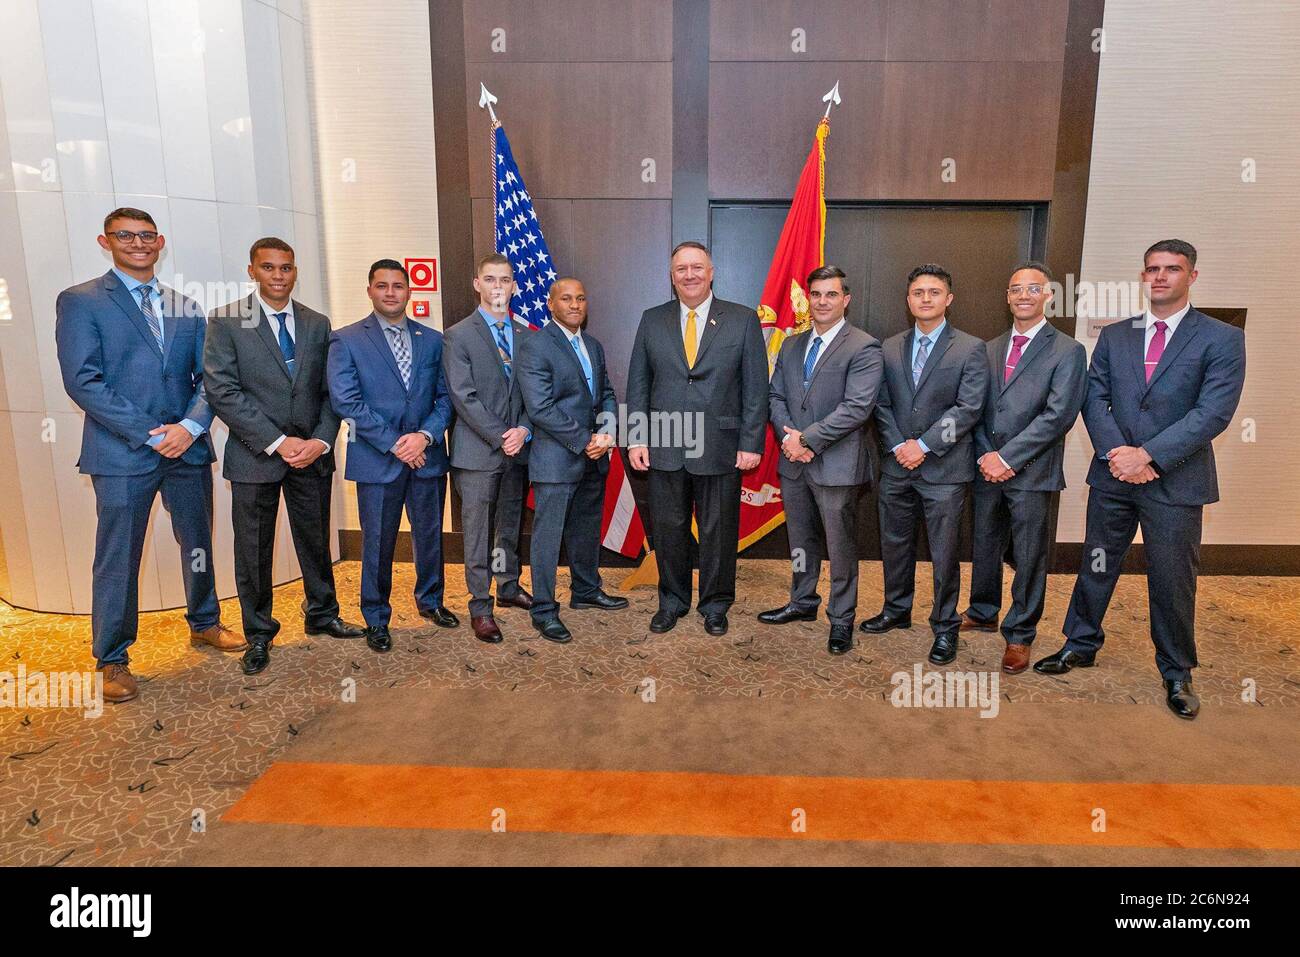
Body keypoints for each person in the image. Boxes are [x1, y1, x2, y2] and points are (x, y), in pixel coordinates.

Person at [1035, 240, 1246, 720]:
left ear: (1192, 276)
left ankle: (1176, 670)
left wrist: (1149, 455)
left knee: (1173, 578)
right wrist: (1117, 455)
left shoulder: (1221, 338)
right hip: (1113, 475)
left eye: (1172, 269)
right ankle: (1080, 643)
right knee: (1096, 562)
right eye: (1152, 269)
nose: (1160, 277)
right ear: (1143, 276)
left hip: (1175, 480)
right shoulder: (1116, 336)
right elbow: (1094, 398)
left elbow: (1213, 412)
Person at [54, 207, 244, 703]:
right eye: (126, 236)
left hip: (187, 451)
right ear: (106, 241)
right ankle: (112, 658)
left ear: (160, 242)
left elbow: (210, 380)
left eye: (146, 236)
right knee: (118, 556)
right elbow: (82, 381)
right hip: (121, 454)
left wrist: (189, 425)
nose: (137, 243)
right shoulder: (81, 302)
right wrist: (151, 433)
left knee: (197, 542)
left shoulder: (185, 306)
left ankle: (204, 621)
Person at [204, 237, 364, 675]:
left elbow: (330, 392)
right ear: (252, 270)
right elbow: (222, 391)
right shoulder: (226, 321)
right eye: (269, 268)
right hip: (257, 456)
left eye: (286, 268)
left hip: (311, 455)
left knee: (315, 541)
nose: (279, 276)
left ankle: (323, 614)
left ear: (295, 272)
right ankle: (258, 633)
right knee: (253, 551)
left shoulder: (316, 323)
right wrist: (277, 441)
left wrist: (321, 440)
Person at [625, 241, 768, 636]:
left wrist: (751, 442)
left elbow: (756, 388)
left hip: (721, 446)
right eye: (681, 269)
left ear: (711, 272)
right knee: (668, 529)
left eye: (697, 267)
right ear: (671, 277)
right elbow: (638, 383)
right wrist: (637, 438)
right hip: (665, 446)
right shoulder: (652, 319)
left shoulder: (742, 319)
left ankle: (716, 604)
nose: (689, 275)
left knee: (718, 532)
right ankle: (671, 602)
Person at [959, 262, 1086, 674]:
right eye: (1016, 289)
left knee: (1030, 555)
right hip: (985, 467)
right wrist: (986, 456)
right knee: (985, 543)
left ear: (1049, 296)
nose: (1023, 295)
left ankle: (1020, 633)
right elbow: (972, 409)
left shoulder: (1068, 350)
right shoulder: (989, 347)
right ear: (1008, 297)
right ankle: (982, 609)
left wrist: (1008, 458)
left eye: (1033, 289)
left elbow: (1058, 415)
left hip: (1031, 470)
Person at [326, 260, 456, 653]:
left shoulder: (433, 339)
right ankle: (376, 617)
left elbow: (446, 399)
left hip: (427, 456)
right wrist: (398, 444)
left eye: (398, 286)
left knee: (430, 536)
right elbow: (346, 401)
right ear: (369, 290)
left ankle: (431, 602)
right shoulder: (346, 339)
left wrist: (424, 437)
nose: (390, 292)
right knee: (378, 542)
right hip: (378, 459)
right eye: (382, 286)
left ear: (409, 291)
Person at [864, 264, 987, 665]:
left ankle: (945, 625)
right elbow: (879, 404)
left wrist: (926, 446)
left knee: (944, 551)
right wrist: (900, 444)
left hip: (945, 472)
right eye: (918, 292)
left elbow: (969, 408)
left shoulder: (970, 348)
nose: (926, 298)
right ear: (908, 299)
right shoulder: (889, 346)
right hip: (897, 465)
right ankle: (896, 610)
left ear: (948, 299)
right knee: (895, 544)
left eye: (934, 292)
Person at [762, 266, 883, 655]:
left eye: (831, 294)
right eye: (816, 294)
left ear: (846, 299)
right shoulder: (792, 344)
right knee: (800, 541)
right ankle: (802, 601)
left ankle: (842, 618)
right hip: (794, 462)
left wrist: (808, 439)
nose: (823, 301)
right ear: (808, 299)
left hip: (837, 464)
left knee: (840, 546)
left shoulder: (863, 346)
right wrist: (789, 437)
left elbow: (857, 407)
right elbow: (775, 397)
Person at [515, 278, 628, 643]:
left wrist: (607, 432)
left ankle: (585, 590)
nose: (575, 304)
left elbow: (606, 394)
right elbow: (540, 408)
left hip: (593, 458)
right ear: (551, 304)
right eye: (566, 298)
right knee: (548, 538)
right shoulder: (536, 347)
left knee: (584, 530)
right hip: (556, 459)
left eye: (581, 298)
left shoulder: (592, 345)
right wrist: (585, 440)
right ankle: (544, 610)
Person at [442, 253, 535, 642]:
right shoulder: (458, 335)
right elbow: (464, 398)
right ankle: (481, 606)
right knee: (479, 532)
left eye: (506, 280)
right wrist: (503, 436)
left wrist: (525, 431)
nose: (499, 286)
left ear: (514, 286)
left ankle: (508, 585)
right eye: (491, 279)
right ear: (477, 284)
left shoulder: (528, 336)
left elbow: (536, 396)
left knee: (509, 524)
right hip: (477, 454)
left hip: (519, 451)